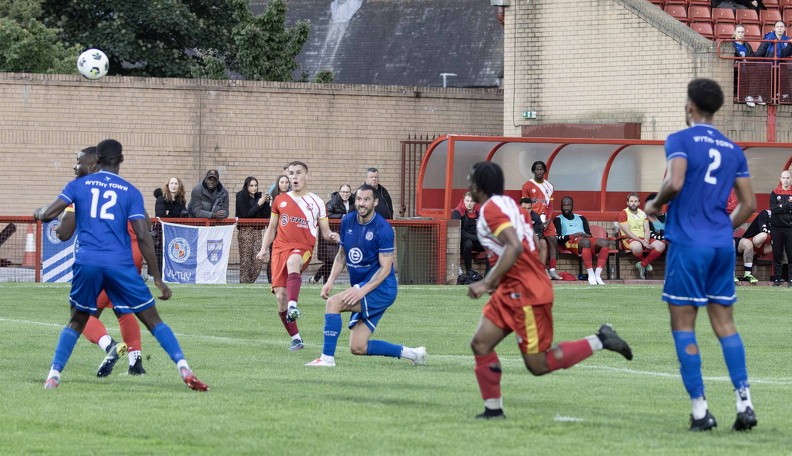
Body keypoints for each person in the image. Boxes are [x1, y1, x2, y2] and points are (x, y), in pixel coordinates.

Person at [34, 139, 208, 391]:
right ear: (121, 160)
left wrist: (39, 212)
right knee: (152, 319)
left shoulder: (78, 186)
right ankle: (183, 367)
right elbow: (144, 234)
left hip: (89, 261)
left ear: (98, 159)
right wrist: (157, 277)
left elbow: (51, 216)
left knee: (77, 319)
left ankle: (54, 375)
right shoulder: (130, 191)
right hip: (121, 263)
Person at [466, 161, 633, 420]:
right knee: (480, 343)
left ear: (479, 185)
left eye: (471, 180)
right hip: (512, 289)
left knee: (538, 365)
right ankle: (493, 410)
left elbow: (515, 247)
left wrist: (488, 282)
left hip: (526, 294)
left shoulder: (491, 211)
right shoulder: (510, 205)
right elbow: (531, 242)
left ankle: (600, 339)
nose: (468, 185)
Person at [644, 78, 757, 431]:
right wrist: (723, 229)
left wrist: (655, 202)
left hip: (689, 244)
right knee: (725, 324)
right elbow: (749, 204)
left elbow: (675, 183)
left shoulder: (680, 140)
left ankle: (700, 411)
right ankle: (744, 403)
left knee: (684, 325)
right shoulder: (732, 148)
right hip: (721, 245)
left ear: (690, 106)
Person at [306, 184, 427, 367]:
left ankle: (326, 359)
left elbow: (386, 269)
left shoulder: (383, 229)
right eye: (359, 199)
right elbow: (342, 255)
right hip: (364, 286)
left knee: (333, 303)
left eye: (366, 199)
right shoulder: (347, 220)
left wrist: (362, 291)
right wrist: (330, 281)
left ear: (375, 202)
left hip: (382, 289)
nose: (361, 203)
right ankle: (414, 354)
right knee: (358, 347)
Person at [55, 147, 146, 376]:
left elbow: (64, 232)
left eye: (78, 162)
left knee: (83, 314)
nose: (75, 167)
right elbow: (142, 220)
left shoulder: (85, 188)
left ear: (92, 164)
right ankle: (136, 364)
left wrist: (60, 219)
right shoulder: (122, 185)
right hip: (133, 251)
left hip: (109, 256)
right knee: (123, 310)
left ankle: (110, 345)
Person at [256, 161, 339, 350]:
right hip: (279, 249)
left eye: (298, 173)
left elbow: (325, 231)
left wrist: (331, 235)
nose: (294, 176)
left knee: (294, 262)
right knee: (280, 297)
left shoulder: (317, 202)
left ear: (306, 176)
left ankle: (293, 306)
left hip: (303, 246)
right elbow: (272, 228)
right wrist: (263, 249)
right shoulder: (280, 200)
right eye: (291, 173)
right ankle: (296, 338)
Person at [553, 196, 611, 285]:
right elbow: (558, 239)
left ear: (572, 206)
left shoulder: (581, 218)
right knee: (585, 242)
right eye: (564, 205)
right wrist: (572, 236)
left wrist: (584, 235)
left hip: (584, 239)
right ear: (561, 206)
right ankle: (590, 275)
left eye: (568, 205)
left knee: (604, 243)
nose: (566, 207)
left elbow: (589, 235)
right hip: (570, 242)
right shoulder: (558, 219)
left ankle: (597, 275)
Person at [521, 161, 561, 280]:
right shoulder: (527, 185)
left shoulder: (550, 186)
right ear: (533, 171)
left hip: (546, 220)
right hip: (534, 220)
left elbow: (551, 205)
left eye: (541, 169)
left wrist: (548, 220)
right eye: (537, 170)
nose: (539, 172)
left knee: (553, 240)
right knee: (540, 243)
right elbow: (525, 205)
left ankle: (552, 270)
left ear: (545, 171)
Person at [311, 184, 355, 284]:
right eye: (343, 192)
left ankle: (318, 280)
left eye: (347, 192)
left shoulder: (353, 202)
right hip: (332, 234)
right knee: (331, 261)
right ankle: (320, 280)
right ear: (339, 192)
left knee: (343, 258)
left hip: (347, 234)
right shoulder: (332, 203)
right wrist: (343, 216)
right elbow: (327, 215)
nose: (345, 194)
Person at [617, 193, 666, 279]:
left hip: (644, 239)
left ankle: (643, 264)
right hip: (629, 239)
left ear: (639, 203)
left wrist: (646, 240)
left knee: (661, 245)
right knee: (637, 247)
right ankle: (644, 262)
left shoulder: (643, 213)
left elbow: (647, 230)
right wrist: (642, 242)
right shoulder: (623, 213)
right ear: (627, 203)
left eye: (635, 201)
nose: (633, 203)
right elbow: (628, 232)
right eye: (631, 201)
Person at [236, 176, 271, 283]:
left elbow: (265, 215)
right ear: (246, 186)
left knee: (258, 261)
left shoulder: (259, 197)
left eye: (256, 185)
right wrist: (258, 204)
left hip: (257, 231)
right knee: (245, 261)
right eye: (251, 185)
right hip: (245, 231)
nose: (254, 188)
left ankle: (249, 283)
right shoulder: (241, 198)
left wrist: (266, 203)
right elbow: (247, 214)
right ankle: (244, 283)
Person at [153, 177, 187, 274]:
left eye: (176, 183)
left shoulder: (181, 200)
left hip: (176, 231)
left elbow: (183, 216)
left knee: (175, 250)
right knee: (161, 251)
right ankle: (158, 273)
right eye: (171, 183)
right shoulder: (161, 198)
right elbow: (161, 215)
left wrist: (170, 214)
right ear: (168, 185)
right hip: (161, 231)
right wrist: (174, 216)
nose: (173, 185)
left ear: (179, 186)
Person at [263, 174, 291, 283]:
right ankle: (272, 280)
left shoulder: (293, 197)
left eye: (286, 182)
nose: (284, 185)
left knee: (287, 256)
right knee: (273, 255)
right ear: (278, 184)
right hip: (275, 230)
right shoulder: (273, 198)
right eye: (282, 182)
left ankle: (285, 278)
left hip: (288, 231)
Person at [451, 192, 486, 278]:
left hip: (476, 238)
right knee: (468, 243)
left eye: (471, 201)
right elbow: (458, 231)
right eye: (467, 201)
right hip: (463, 240)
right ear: (463, 200)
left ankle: (489, 274)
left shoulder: (480, 212)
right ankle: (469, 271)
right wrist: (475, 237)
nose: (469, 203)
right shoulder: (457, 212)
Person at [735, 209, 771, 283]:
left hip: (762, 245)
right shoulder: (766, 214)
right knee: (747, 242)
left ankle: (748, 274)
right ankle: (730, 274)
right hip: (750, 240)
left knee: (780, 243)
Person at [769, 170, 792, 286]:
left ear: (791, 179)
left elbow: (778, 208)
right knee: (777, 255)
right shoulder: (774, 193)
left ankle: (791, 280)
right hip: (776, 228)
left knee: (791, 255)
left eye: (788, 178)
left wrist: (781, 206)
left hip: (790, 229)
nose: (786, 180)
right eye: (784, 178)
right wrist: (788, 207)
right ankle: (777, 279)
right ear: (780, 179)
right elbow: (773, 209)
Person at [732, 25, 764, 107]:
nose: (740, 34)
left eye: (742, 32)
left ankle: (754, 96)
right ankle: (748, 96)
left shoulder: (747, 44)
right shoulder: (730, 44)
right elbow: (732, 57)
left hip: (747, 67)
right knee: (751, 73)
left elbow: (751, 56)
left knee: (759, 72)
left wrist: (747, 61)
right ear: (735, 33)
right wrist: (741, 60)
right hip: (736, 68)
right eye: (738, 32)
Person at [520, 197, 547, 265]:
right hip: (517, 238)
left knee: (543, 243)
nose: (526, 210)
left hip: (532, 238)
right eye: (524, 208)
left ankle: (541, 269)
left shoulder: (535, 216)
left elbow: (539, 231)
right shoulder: (513, 215)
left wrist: (535, 238)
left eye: (529, 208)